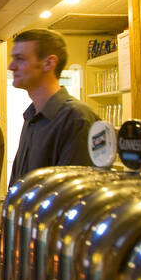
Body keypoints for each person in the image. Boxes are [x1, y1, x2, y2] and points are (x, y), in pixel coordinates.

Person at [7, 28, 98, 185]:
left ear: (49, 63)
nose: (11, 66)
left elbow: (72, 197)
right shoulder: (31, 116)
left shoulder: (76, 119)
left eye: (20, 59)